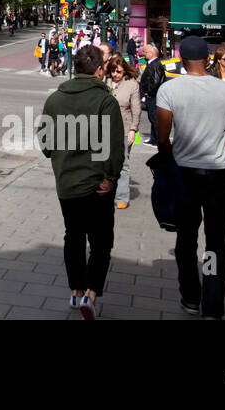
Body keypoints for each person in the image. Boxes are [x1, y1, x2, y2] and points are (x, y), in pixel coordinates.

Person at [155, 35, 225, 319]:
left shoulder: (170, 89)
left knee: (187, 236)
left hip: (184, 171)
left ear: (180, 60)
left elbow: (163, 136)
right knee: (216, 240)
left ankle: (190, 295)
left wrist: (170, 155)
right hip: (217, 172)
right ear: (208, 59)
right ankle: (213, 303)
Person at [39, 44, 124, 320]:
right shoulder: (105, 101)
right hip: (97, 184)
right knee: (100, 241)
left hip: (67, 183)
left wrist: (59, 160)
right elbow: (113, 145)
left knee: (73, 236)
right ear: (99, 70)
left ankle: (75, 291)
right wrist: (111, 177)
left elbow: (44, 141)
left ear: (75, 68)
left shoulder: (54, 99)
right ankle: (91, 293)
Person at [104, 56, 142, 209]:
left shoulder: (132, 85)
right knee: (104, 163)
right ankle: (105, 194)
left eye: (118, 71)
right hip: (105, 128)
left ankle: (122, 197)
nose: (115, 74)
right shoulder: (104, 83)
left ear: (124, 70)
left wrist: (133, 129)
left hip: (124, 129)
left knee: (123, 164)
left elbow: (136, 109)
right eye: (113, 71)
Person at [139, 43, 166, 145]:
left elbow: (155, 81)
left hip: (153, 96)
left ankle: (158, 140)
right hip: (151, 95)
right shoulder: (152, 64)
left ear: (151, 53)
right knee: (152, 117)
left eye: (145, 52)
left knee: (155, 118)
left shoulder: (155, 65)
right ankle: (153, 138)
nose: (143, 54)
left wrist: (149, 92)